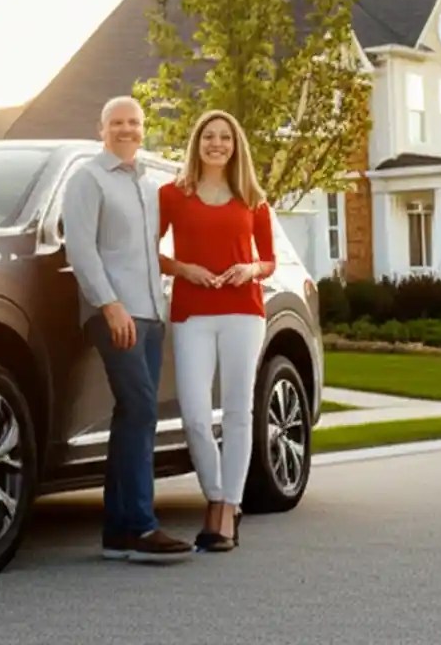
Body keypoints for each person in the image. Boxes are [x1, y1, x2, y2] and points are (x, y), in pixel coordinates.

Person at [61, 95, 194, 563]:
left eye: (133, 123)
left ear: (143, 129)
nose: (126, 129)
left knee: (134, 414)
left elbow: (149, 251)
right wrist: (110, 305)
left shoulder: (150, 186)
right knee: (139, 408)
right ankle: (140, 525)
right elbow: (80, 249)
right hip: (114, 312)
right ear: (101, 128)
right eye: (116, 122)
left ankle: (118, 531)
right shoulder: (88, 179)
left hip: (151, 313)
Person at [157, 109, 275, 552]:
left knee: (238, 411)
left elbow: (268, 261)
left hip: (243, 311)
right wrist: (183, 268)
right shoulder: (173, 194)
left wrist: (251, 268)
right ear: (197, 142)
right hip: (191, 313)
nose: (217, 143)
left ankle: (226, 509)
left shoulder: (251, 197)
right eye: (210, 136)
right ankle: (215, 494)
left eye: (226, 136)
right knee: (193, 415)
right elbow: (151, 252)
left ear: (235, 144)